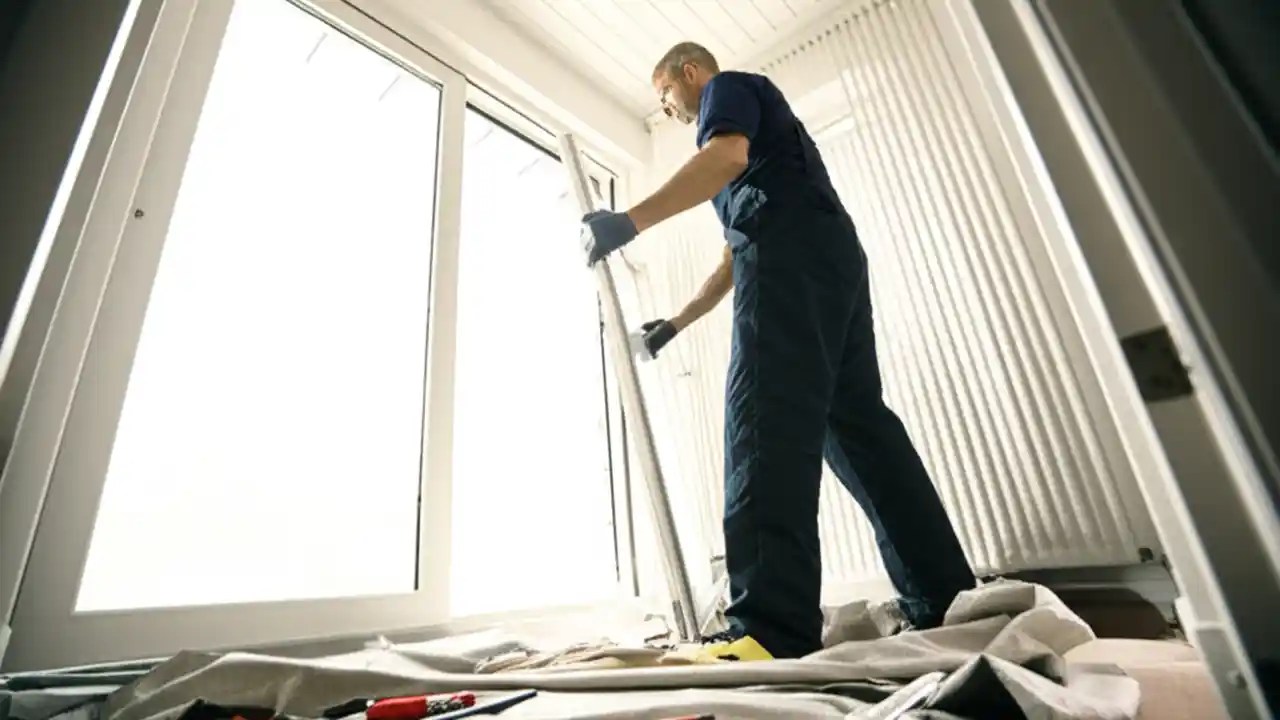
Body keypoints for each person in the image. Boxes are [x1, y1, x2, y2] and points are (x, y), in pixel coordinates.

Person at [580, 42, 975, 660]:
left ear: (689, 73)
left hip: (791, 254)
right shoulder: (754, 155)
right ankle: (946, 600)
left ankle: (765, 630)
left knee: (761, 421)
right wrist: (676, 324)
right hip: (827, 260)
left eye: (665, 95)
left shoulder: (725, 92)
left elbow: (727, 161)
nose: (670, 108)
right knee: (858, 431)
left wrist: (627, 221)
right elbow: (736, 253)